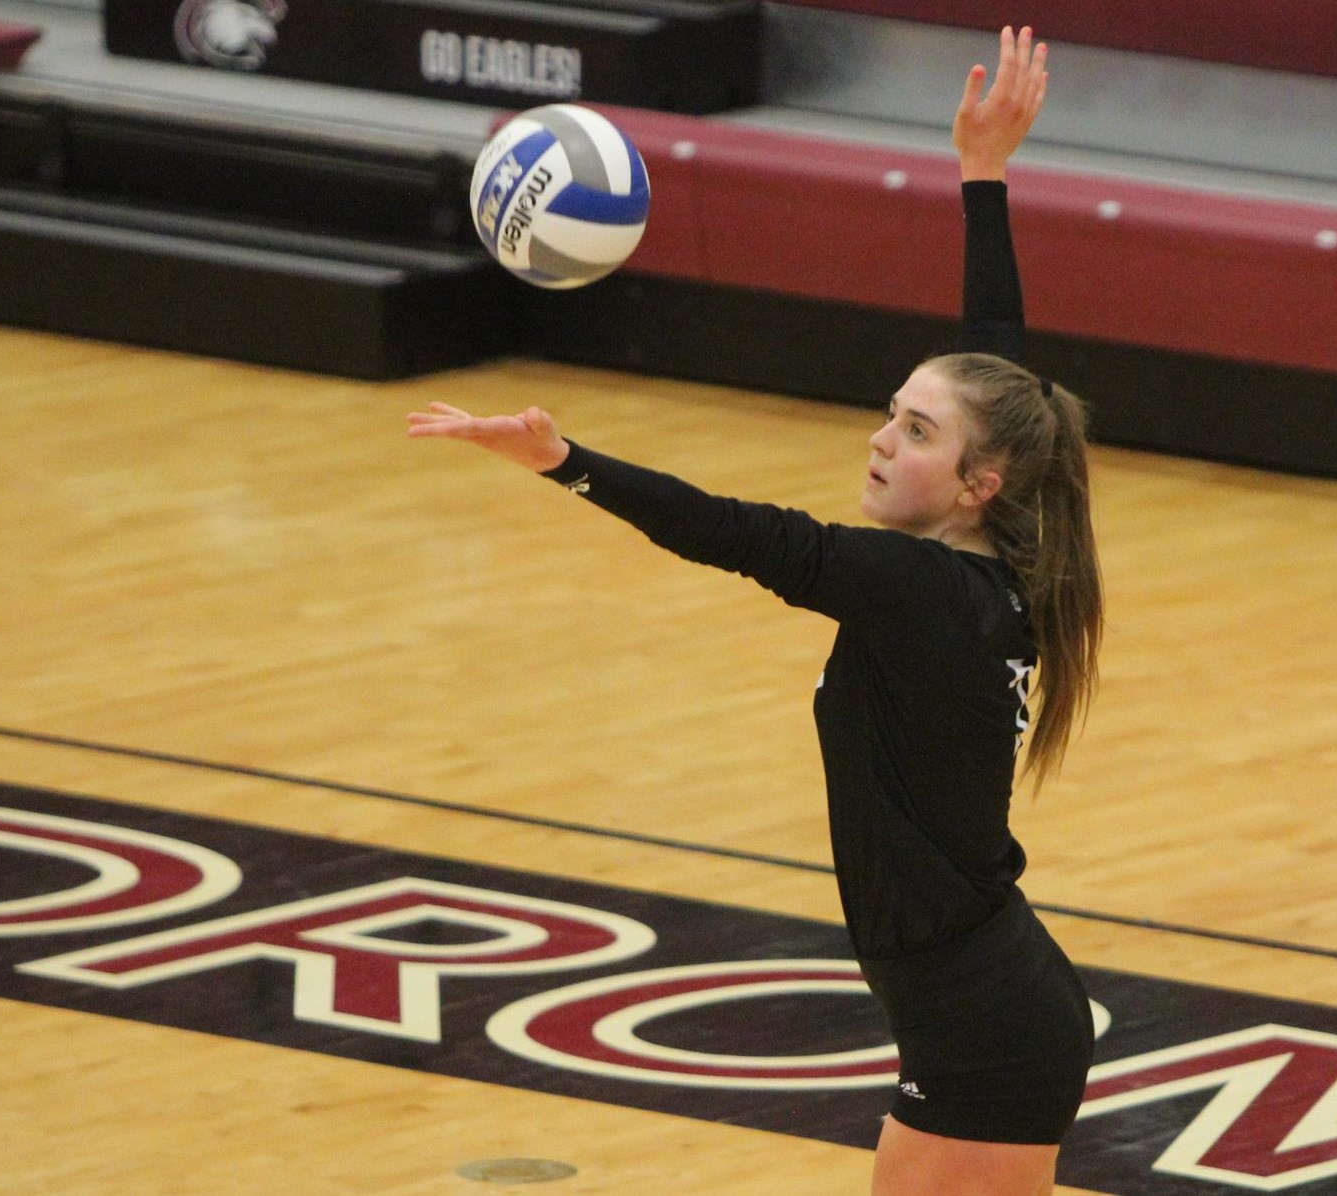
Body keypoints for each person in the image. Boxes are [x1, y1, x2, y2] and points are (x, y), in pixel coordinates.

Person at [408, 27, 1096, 1196]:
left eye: (915, 435)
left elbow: (738, 533)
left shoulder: (921, 589)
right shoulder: (999, 542)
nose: (882, 438)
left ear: (979, 482)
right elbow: (999, 368)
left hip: (986, 1018)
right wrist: (985, 177)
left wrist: (566, 460)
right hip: (969, 1003)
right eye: (893, 411)